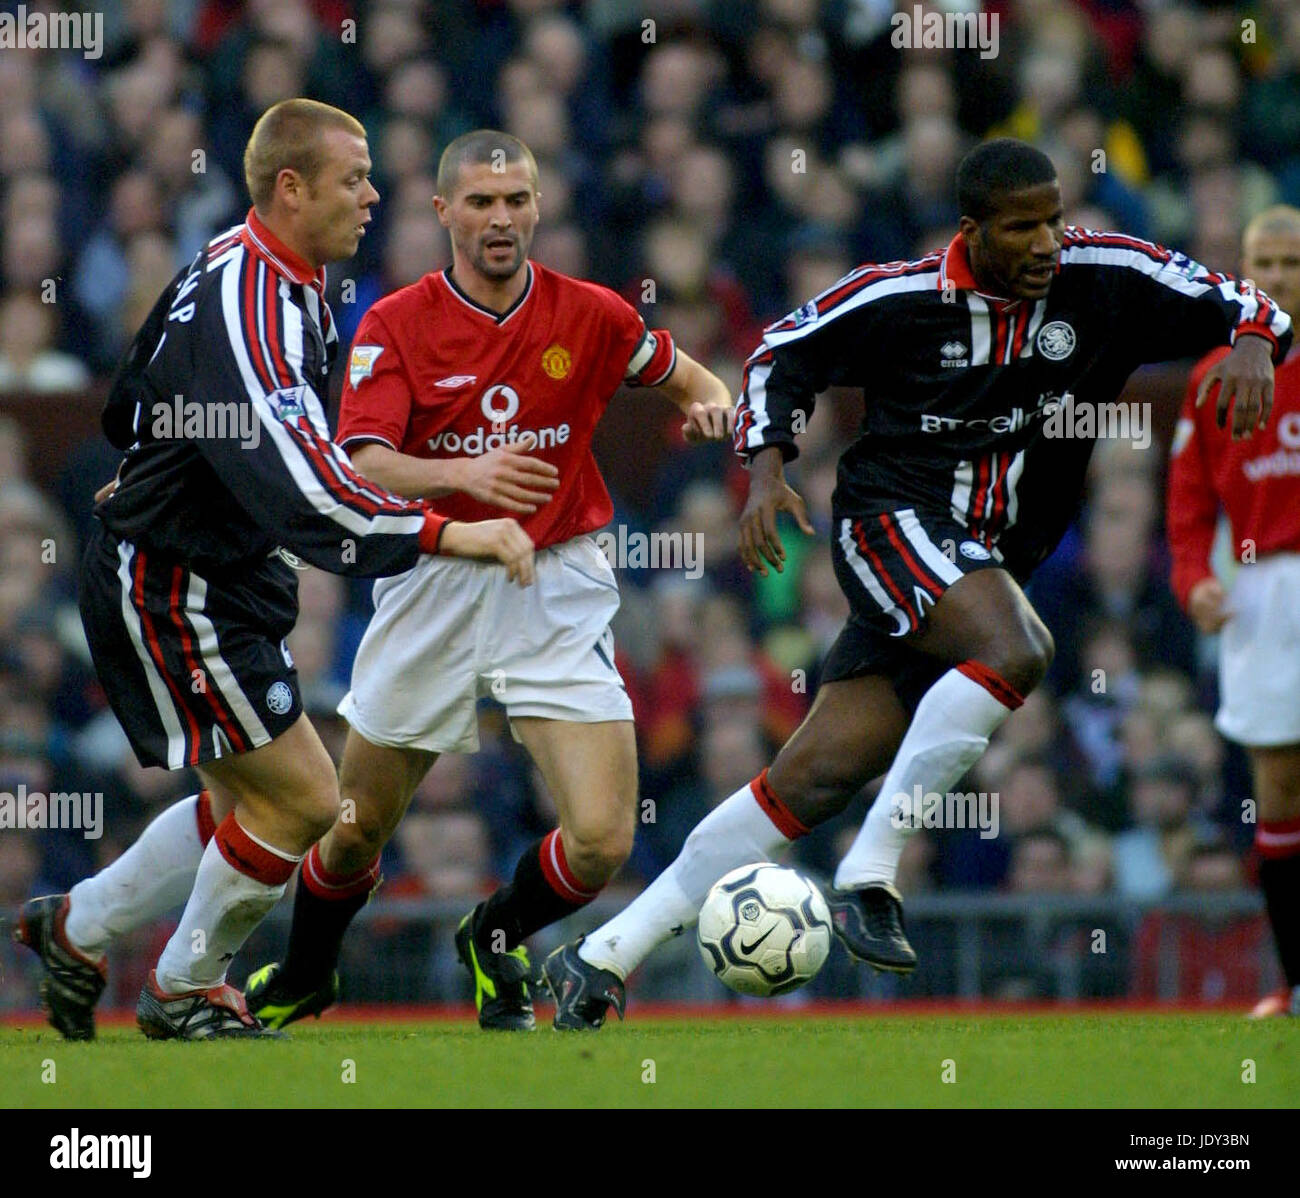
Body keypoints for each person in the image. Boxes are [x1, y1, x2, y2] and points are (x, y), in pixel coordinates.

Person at [543, 137, 1290, 1029]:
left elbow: (1249, 303)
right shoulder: (898, 299)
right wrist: (768, 468)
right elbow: (782, 351)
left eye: (1054, 218)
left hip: (980, 564)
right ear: (973, 232)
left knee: (807, 781)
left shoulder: (1106, 276)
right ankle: (871, 868)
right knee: (1018, 647)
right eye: (1024, 226)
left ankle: (600, 955)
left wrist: (1253, 344)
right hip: (888, 526)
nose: (1049, 240)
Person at [12, 100, 532, 1041]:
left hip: (216, 575)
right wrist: (452, 531)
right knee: (301, 799)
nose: (375, 195)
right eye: (353, 179)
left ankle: (79, 926)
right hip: (175, 585)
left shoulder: (271, 273)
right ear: (290, 189)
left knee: (241, 804)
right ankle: (179, 990)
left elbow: (132, 399)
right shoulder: (249, 297)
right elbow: (305, 487)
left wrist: (151, 463)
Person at [244, 129, 734, 1032]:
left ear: (539, 206)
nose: (500, 219)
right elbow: (363, 462)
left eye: (516, 201)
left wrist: (712, 409)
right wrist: (465, 479)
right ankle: (310, 972)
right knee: (354, 828)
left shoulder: (593, 315)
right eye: (479, 202)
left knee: (600, 841)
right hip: (435, 574)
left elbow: (688, 377)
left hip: (554, 584)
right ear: (443, 213)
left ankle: (496, 935)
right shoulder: (395, 323)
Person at [1167, 204, 1300, 1018]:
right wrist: (1193, 584)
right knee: (1278, 793)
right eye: (1266, 265)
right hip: (1259, 597)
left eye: (1292, 264)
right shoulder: (1216, 372)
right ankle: (1293, 984)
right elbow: (1187, 510)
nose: (1279, 278)